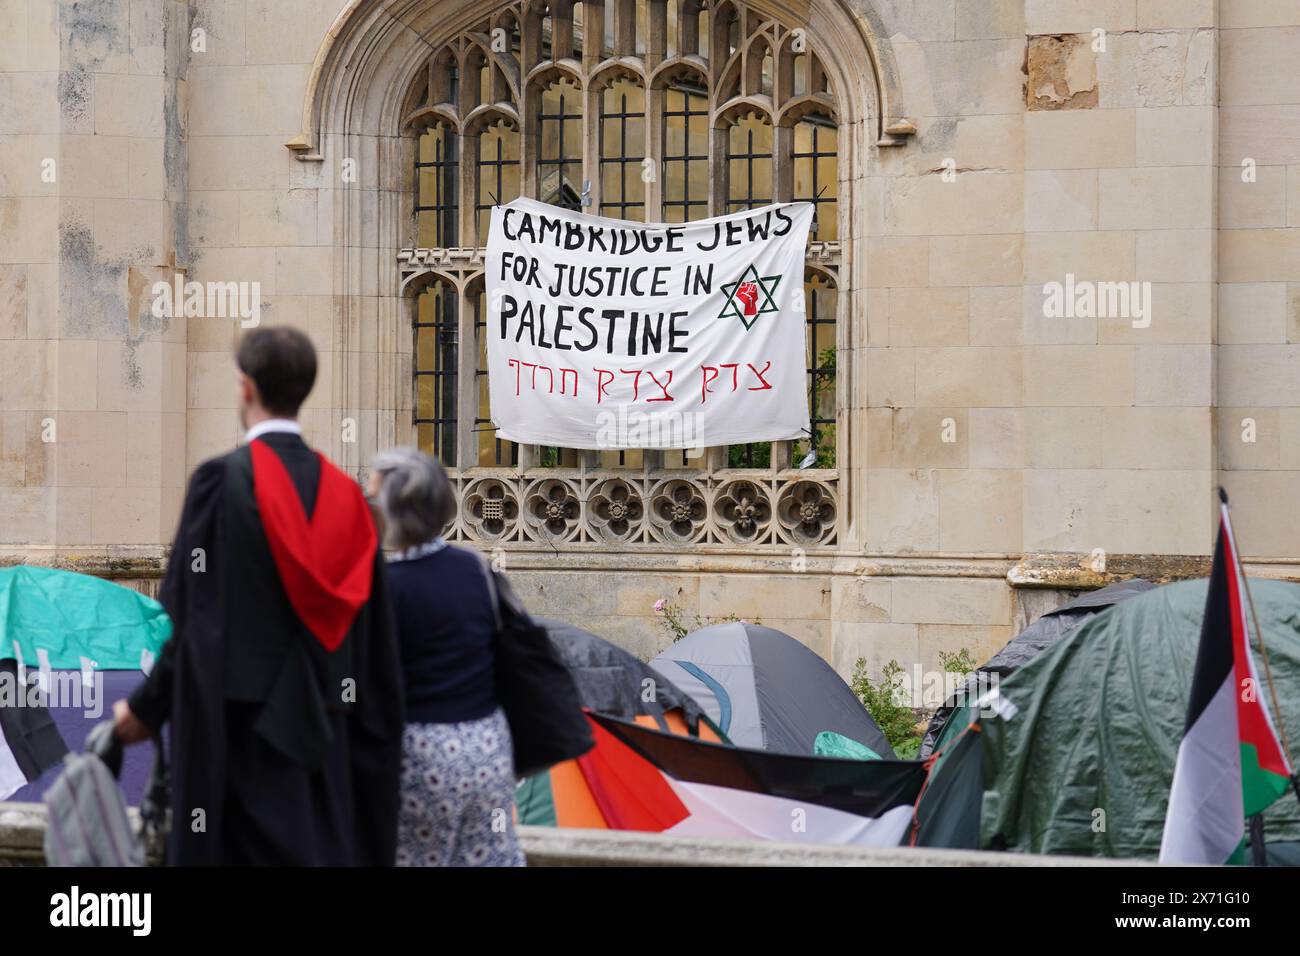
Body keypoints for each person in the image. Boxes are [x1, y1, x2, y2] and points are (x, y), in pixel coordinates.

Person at [112, 326, 405, 866]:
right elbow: (378, 657)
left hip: (233, 747)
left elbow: (192, 622)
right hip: (325, 747)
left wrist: (145, 709)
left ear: (245, 388)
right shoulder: (354, 504)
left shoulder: (219, 485)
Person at [368, 447, 526, 867]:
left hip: (422, 755)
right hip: (487, 748)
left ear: (391, 511)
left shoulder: (385, 587)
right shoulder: (474, 568)